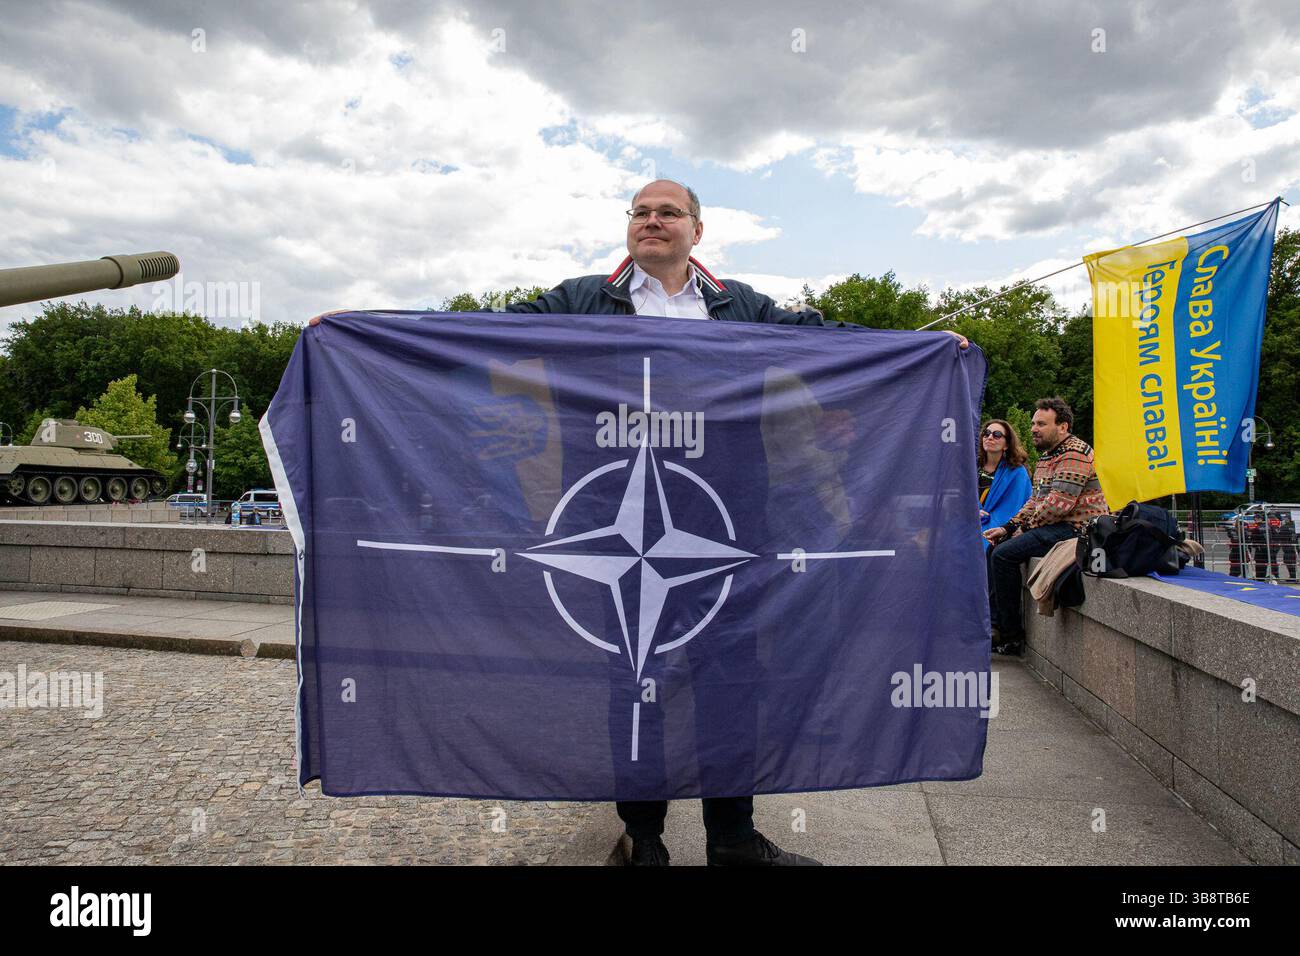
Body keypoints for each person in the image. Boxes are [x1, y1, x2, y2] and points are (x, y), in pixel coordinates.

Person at [311, 179, 970, 866]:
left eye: (668, 213)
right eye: (641, 213)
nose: (651, 222)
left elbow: (823, 342)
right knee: (634, 678)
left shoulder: (739, 305)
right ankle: (643, 837)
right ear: (629, 226)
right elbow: (485, 331)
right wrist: (369, 328)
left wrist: (918, 347)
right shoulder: (578, 299)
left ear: (697, 229)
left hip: (726, 519)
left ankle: (733, 841)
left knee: (732, 681)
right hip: (612, 522)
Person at [982, 397, 1108, 656]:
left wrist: (1022, 530)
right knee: (995, 547)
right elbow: (1034, 501)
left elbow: (1058, 506)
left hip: (1076, 529)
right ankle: (995, 625)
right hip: (1055, 525)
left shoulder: (1075, 452)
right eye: (1033, 423)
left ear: (1062, 426)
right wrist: (1007, 528)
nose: (1033, 429)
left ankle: (1011, 634)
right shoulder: (1047, 457)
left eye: (1041, 424)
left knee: (1004, 555)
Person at [977, 419, 1032, 551]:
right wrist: (970, 512)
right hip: (965, 522)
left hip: (1000, 528)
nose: (990, 437)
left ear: (1006, 445)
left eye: (997, 435)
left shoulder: (1017, 472)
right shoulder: (969, 467)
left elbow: (1015, 507)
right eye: (986, 433)